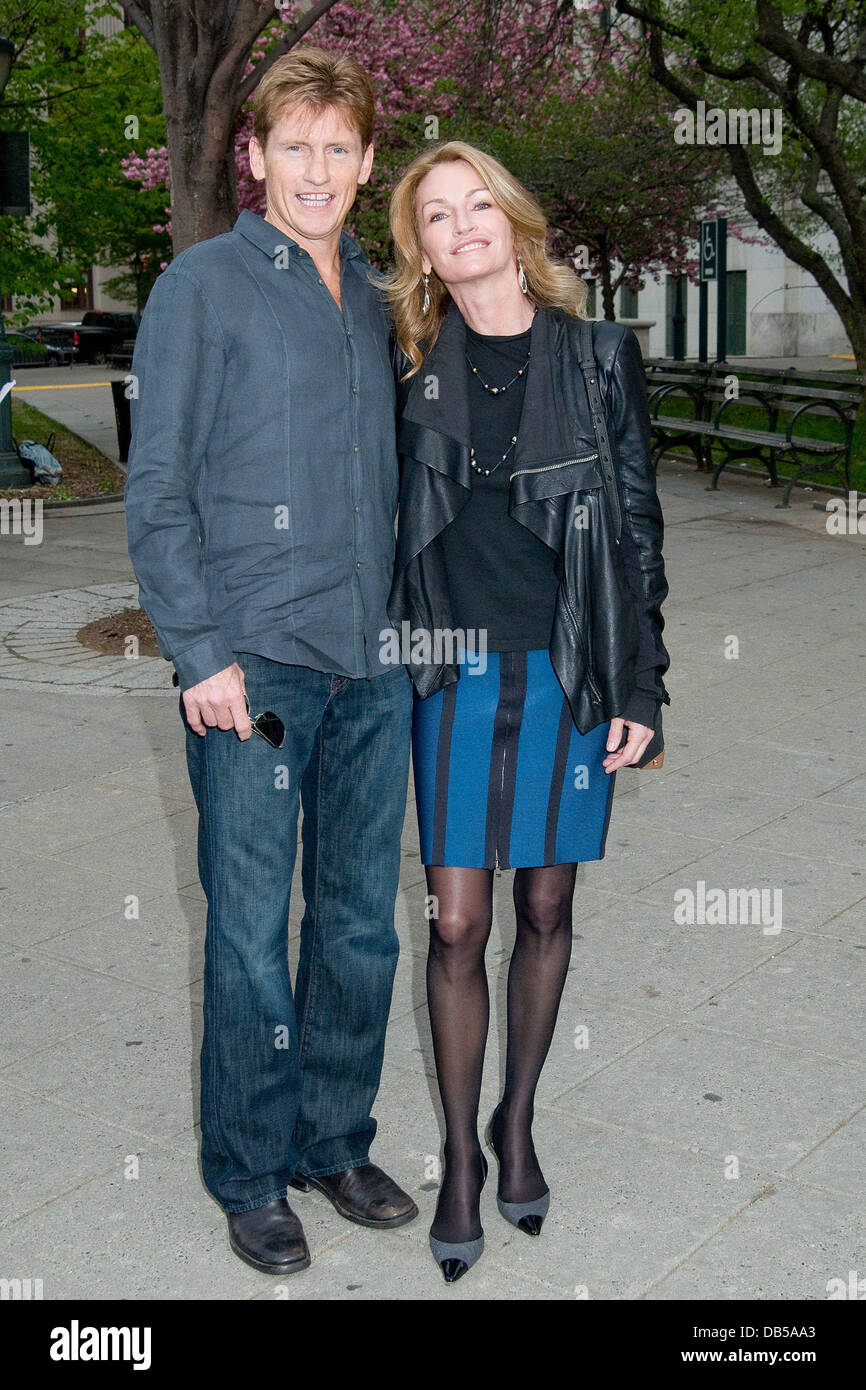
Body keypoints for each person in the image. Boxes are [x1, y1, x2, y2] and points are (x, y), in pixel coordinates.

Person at [124, 47, 417, 1277]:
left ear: (363, 162)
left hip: (373, 665)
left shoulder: (380, 294)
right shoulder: (201, 286)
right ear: (254, 156)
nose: (315, 167)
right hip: (254, 669)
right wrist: (199, 653)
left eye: (337, 146)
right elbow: (159, 483)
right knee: (250, 932)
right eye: (291, 144)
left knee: (358, 926)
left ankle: (331, 1139)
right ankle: (248, 1171)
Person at [384, 141, 670, 1282]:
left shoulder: (599, 356)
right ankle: (457, 1155)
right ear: (420, 247)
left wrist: (640, 682)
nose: (460, 229)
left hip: (565, 667)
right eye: (435, 218)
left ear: (511, 220)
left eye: (475, 207)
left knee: (544, 906)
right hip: (446, 665)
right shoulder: (402, 358)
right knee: (456, 921)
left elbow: (637, 527)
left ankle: (517, 1123)